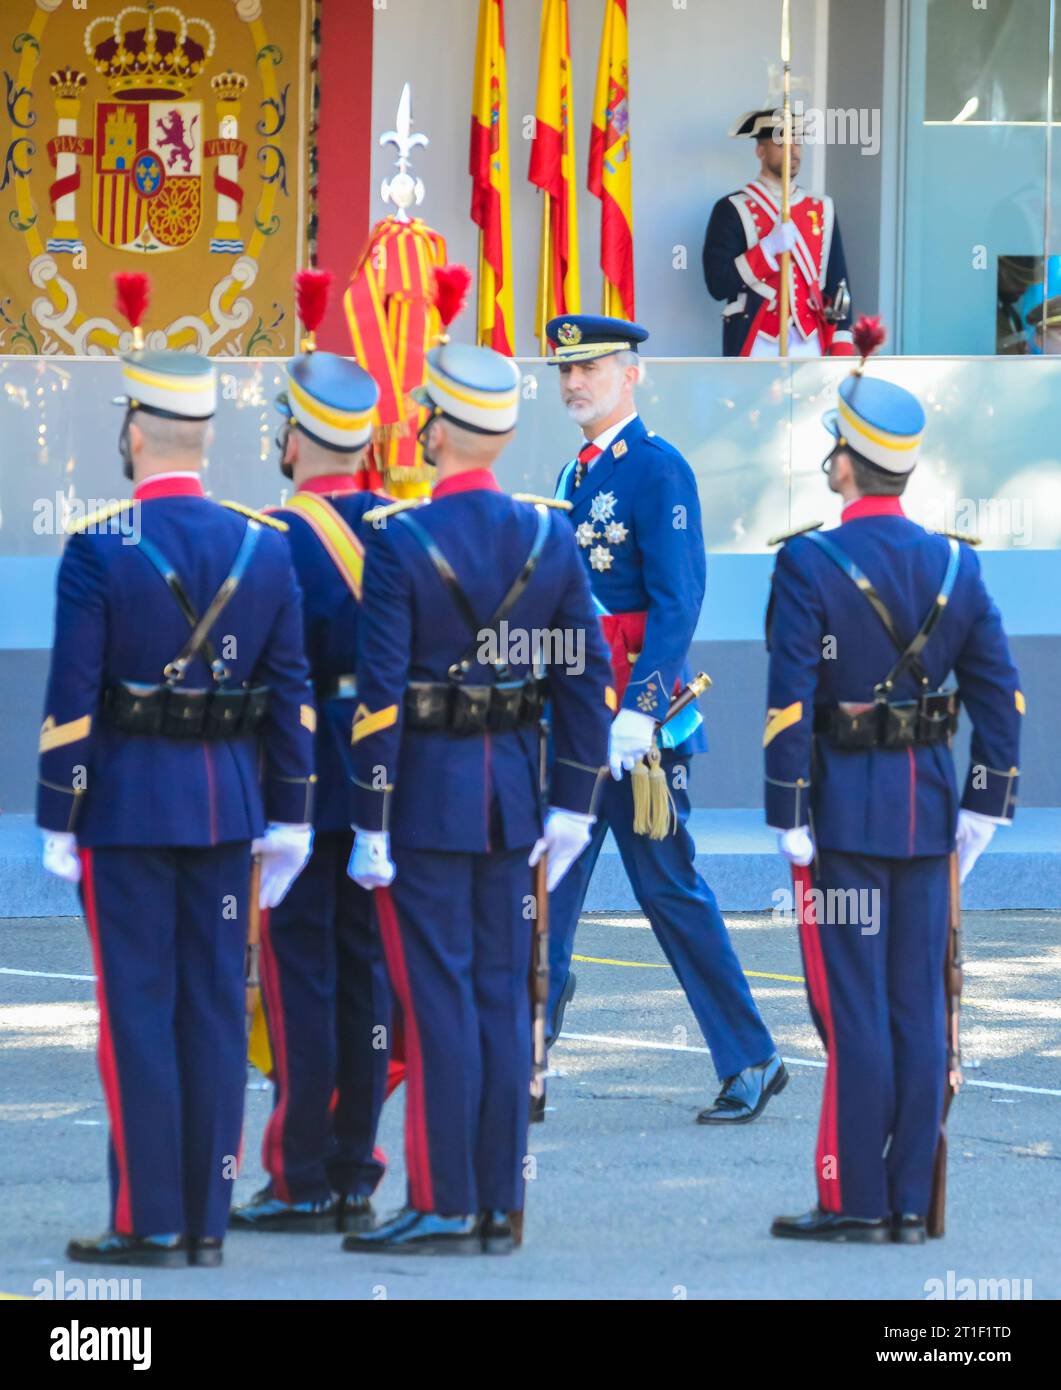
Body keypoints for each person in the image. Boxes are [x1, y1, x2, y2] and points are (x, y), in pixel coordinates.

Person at [38, 288, 316, 1268]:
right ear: (199, 440)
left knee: (137, 1012)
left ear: (134, 430)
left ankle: (147, 1217)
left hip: (123, 810)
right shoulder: (263, 546)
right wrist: (291, 818)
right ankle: (204, 1218)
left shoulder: (99, 547)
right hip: (229, 810)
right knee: (211, 1007)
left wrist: (55, 814)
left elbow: (72, 695)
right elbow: (291, 698)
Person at [343, 341, 613, 1255]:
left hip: (423, 801)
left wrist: (369, 816)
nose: (414, 424)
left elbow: (380, 696)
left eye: (423, 413)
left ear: (442, 429)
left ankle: (442, 1199)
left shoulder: (399, 540)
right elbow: (585, 674)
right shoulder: (549, 534)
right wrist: (573, 801)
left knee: (437, 1001)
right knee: (503, 994)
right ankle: (496, 1199)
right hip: (513, 799)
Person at [765, 335, 1023, 1243]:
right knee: (918, 1007)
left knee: (856, 1007)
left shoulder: (806, 565)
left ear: (844, 462)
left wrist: (786, 811)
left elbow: (788, 701)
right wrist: (985, 805)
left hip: (840, 818)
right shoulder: (957, 566)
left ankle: (856, 1203)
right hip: (927, 814)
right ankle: (909, 1198)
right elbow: (1000, 697)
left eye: (831, 446)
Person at [544, 313, 787, 1125]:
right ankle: (522, 1063)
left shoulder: (655, 469)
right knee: (543, 892)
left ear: (630, 373)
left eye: (591, 368)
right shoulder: (574, 473)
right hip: (577, 723)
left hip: (636, 733)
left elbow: (678, 601)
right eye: (565, 371)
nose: (574, 383)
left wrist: (640, 711)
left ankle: (750, 1055)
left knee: (668, 888)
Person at [229, 331, 392, 1234]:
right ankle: (357, 1161)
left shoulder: (271, 539)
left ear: (293, 440)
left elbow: (258, 672)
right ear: (367, 443)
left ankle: (299, 1174)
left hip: (297, 772)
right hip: (386, 776)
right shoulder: (402, 528)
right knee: (365, 969)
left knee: (299, 970)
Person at [702, 106, 854, 358]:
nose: (793, 150)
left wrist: (841, 346)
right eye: (782, 142)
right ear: (760, 150)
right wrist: (767, 249)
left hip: (810, 338)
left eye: (797, 142)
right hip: (756, 337)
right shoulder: (732, 208)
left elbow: (838, 282)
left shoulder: (821, 207)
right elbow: (717, 285)